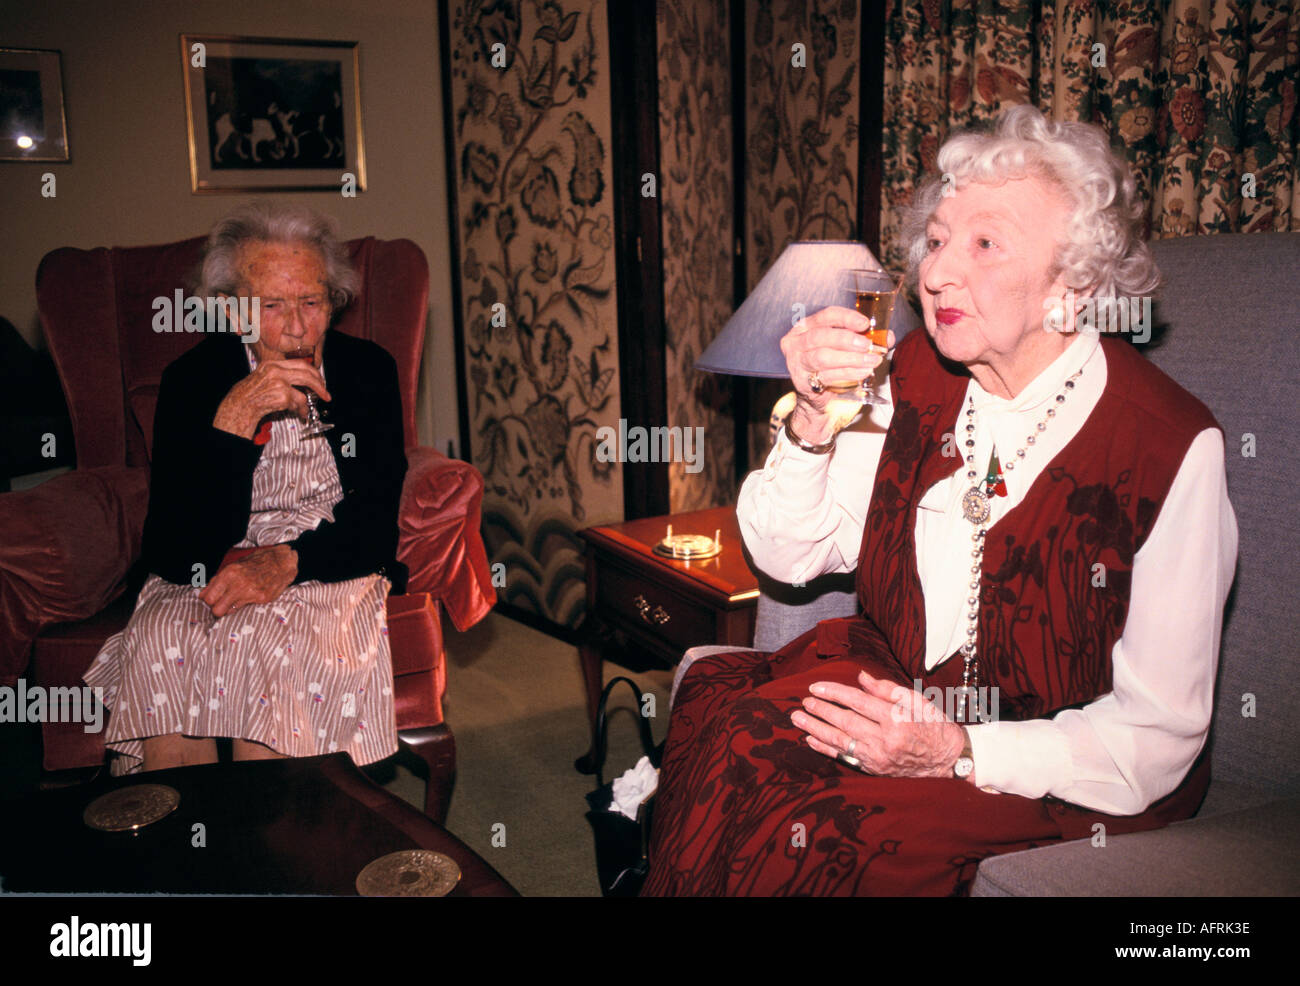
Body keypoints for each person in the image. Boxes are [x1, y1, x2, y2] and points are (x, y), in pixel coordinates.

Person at [642, 105, 1238, 896]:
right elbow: (788, 557)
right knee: (729, 731)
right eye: (935, 239)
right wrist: (814, 420)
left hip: (1054, 769)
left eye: (985, 243)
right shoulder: (910, 375)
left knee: (828, 835)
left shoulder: (1168, 447)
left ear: (1075, 285)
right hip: (898, 689)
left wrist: (959, 749)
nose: (934, 273)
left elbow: (1157, 734)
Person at [85, 202, 407, 775]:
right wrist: (233, 425)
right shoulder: (192, 381)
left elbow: (377, 523)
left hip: (328, 557)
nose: (295, 326)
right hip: (209, 560)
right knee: (162, 636)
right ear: (232, 310)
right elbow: (175, 547)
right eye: (271, 306)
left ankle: (278, 843)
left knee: (263, 638)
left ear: (332, 301)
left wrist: (286, 560)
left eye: (312, 301)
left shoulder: (368, 371)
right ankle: (189, 844)